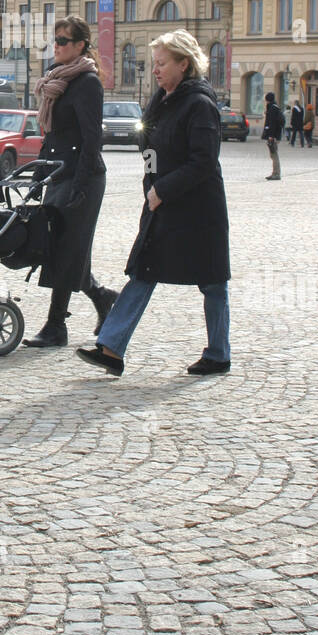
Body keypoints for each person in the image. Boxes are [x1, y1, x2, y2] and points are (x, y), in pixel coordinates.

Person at [76, 30, 231, 379]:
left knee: (212, 281)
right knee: (143, 270)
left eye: (162, 63)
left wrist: (163, 189)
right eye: (154, 63)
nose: (156, 70)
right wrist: (151, 184)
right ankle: (112, 349)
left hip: (199, 210)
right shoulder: (159, 99)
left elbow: (204, 161)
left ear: (184, 64)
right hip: (161, 204)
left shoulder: (200, 104)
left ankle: (218, 353)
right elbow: (147, 146)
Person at [23, 15, 117, 348]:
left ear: (80, 46)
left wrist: (79, 183)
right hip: (59, 172)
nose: (57, 46)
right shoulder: (56, 81)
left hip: (84, 177)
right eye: (55, 40)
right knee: (62, 246)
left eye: (63, 41)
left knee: (66, 247)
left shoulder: (87, 83)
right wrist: (39, 173)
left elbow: (92, 138)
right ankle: (103, 297)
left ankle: (55, 327)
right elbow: (53, 135)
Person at [262, 91, 284, 179]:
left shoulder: (272, 109)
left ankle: (276, 173)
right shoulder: (275, 107)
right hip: (275, 135)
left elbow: (272, 124)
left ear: (267, 100)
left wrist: (271, 136)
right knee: (273, 154)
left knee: (274, 154)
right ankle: (275, 172)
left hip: (273, 136)